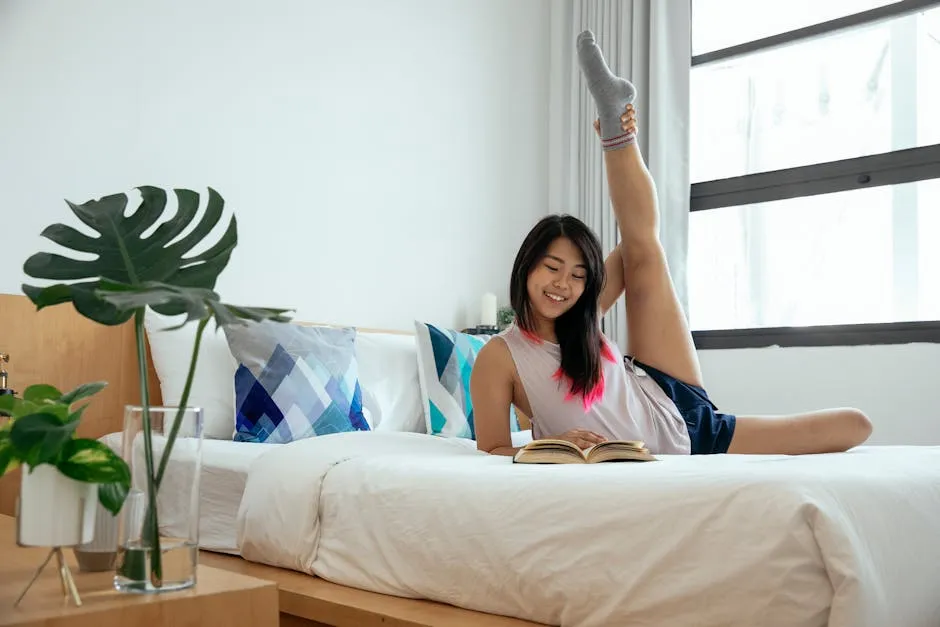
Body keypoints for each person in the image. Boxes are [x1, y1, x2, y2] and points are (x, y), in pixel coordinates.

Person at [470, 30, 872, 457]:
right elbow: (493, 447)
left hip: (661, 384)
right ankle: (615, 127)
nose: (563, 284)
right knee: (854, 426)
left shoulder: (582, 311)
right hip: (695, 436)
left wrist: (621, 151)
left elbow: (636, 241)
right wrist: (555, 442)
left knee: (643, 247)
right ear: (526, 267)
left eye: (578, 274)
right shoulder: (500, 357)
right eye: (552, 268)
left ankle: (615, 125)